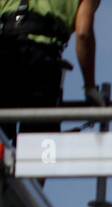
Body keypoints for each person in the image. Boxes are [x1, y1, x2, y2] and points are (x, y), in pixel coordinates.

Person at [0, 0, 101, 141]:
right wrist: (90, 88)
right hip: (43, 65)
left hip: (6, 55)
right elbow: (83, 34)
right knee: (40, 146)